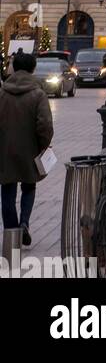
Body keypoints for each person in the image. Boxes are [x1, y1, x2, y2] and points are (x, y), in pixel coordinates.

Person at [0, 51, 54, 246]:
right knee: (29, 187)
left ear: (13, 68)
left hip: (4, 149)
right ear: (33, 68)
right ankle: (24, 223)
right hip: (30, 149)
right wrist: (43, 146)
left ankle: (11, 233)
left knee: (7, 191)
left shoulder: (2, 92)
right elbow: (45, 125)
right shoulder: (38, 93)